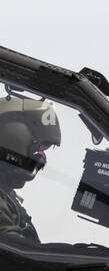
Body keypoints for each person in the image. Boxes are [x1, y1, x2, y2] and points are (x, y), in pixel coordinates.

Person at [0, 96, 60, 242]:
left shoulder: (6, 194)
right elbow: (16, 255)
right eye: (36, 150)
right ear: (14, 140)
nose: (39, 159)